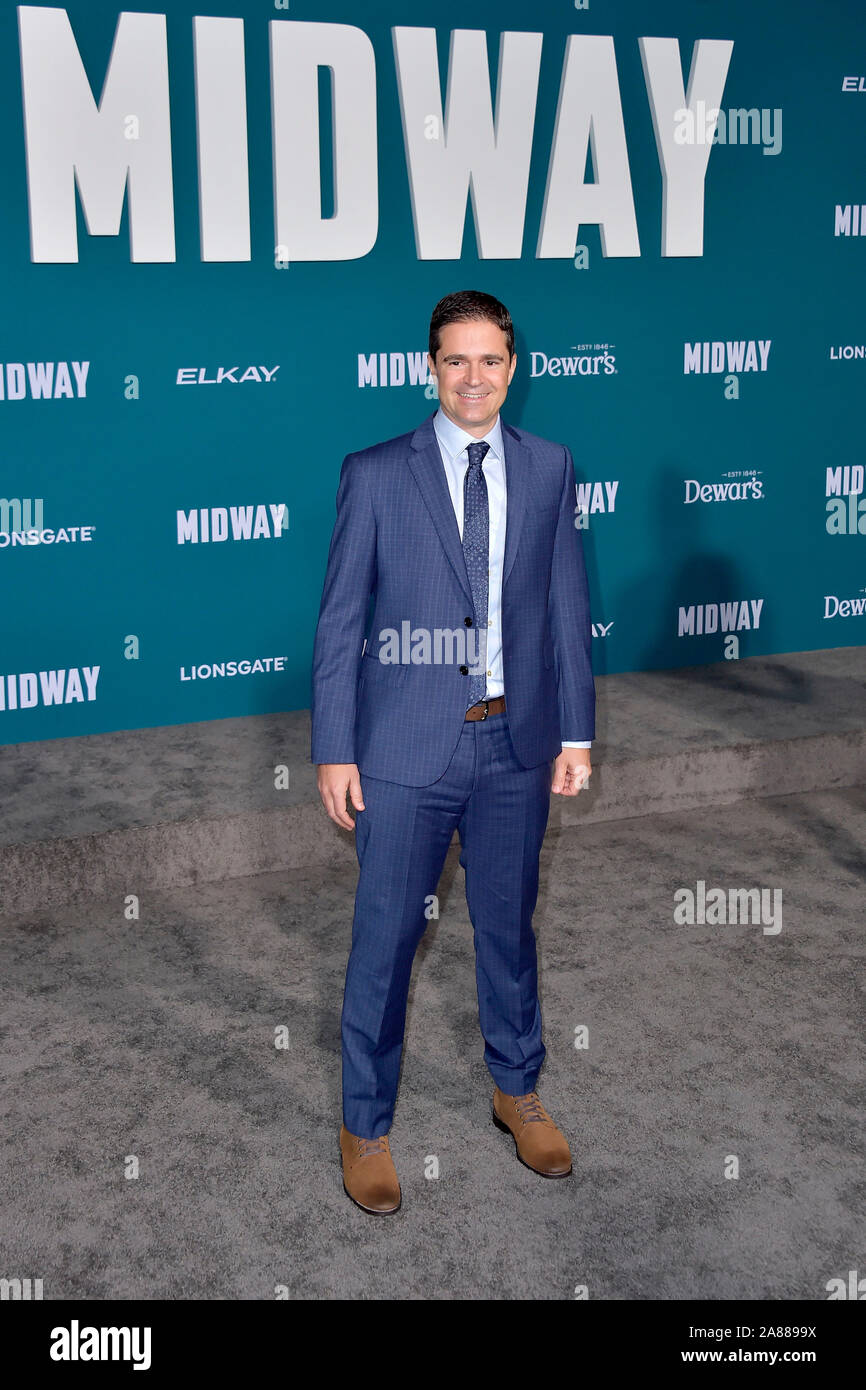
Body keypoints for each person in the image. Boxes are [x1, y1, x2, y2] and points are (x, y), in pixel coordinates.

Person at [311, 290, 595, 1214]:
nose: (473, 377)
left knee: (511, 930)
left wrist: (576, 733)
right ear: (427, 368)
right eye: (455, 360)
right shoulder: (377, 472)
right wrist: (334, 748)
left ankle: (517, 1091)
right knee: (386, 940)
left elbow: (563, 611)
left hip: (516, 746)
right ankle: (365, 1122)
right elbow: (341, 620)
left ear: (514, 368)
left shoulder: (550, 469)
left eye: (490, 360)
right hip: (401, 751)